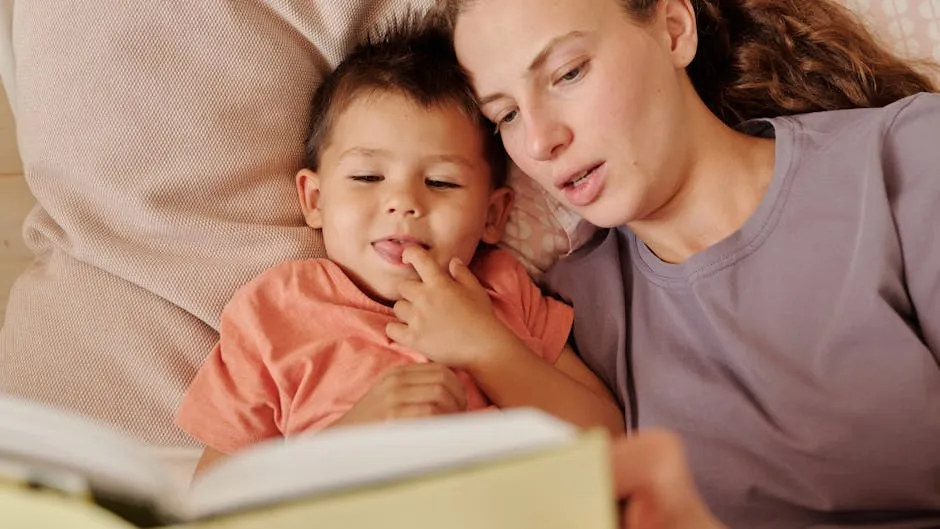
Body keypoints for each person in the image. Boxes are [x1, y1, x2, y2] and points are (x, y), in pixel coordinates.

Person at [445, 0, 940, 527]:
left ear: (675, 30)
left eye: (568, 73)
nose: (541, 141)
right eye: (507, 115)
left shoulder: (904, 160)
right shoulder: (566, 314)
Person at [175, 14, 624, 477]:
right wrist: (349, 438)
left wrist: (488, 350)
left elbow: (609, 438)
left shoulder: (501, 291)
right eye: (368, 177)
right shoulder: (276, 313)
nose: (404, 203)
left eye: (441, 182)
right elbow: (213, 496)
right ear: (315, 199)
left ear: (492, 215)